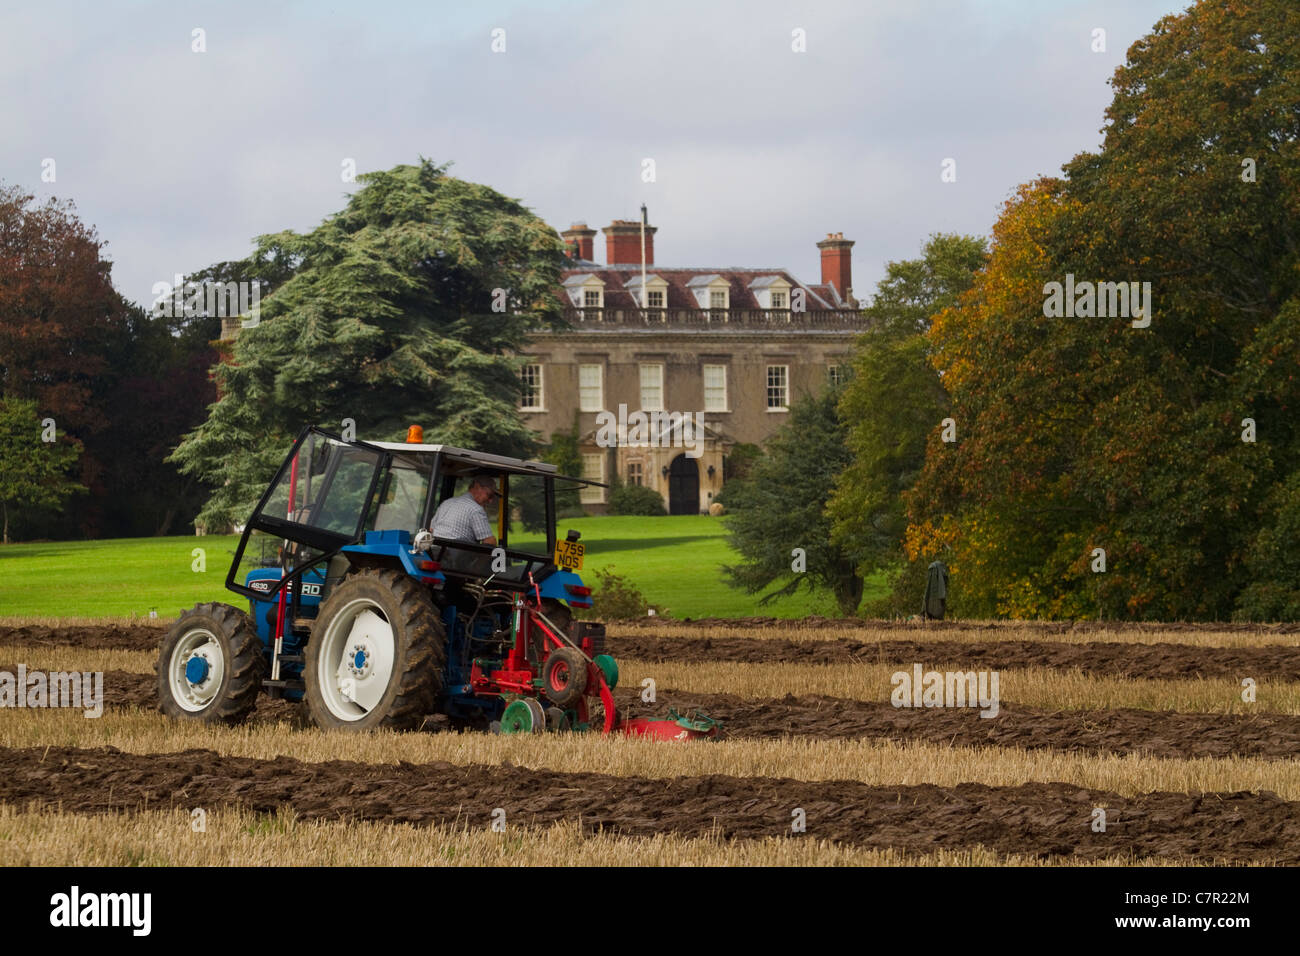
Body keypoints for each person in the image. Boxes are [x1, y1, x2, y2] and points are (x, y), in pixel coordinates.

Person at [431, 475, 499, 546]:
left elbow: (431, 529)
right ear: (477, 487)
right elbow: (489, 541)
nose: (490, 501)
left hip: (434, 552)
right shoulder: (476, 509)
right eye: (489, 495)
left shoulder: (447, 502)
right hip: (454, 555)